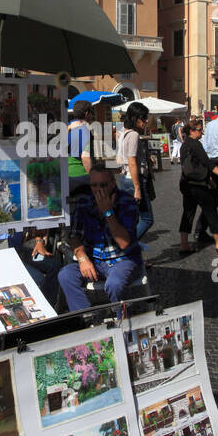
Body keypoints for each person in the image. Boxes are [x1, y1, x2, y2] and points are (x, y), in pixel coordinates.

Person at [58, 162, 143, 311]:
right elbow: (74, 235)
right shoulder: (85, 202)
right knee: (66, 275)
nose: (98, 190)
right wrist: (82, 258)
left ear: (113, 183)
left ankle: (122, 321)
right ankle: (86, 317)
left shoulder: (126, 201)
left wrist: (108, 212)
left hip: (123, 259)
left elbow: (124, 243)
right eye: (94, 185)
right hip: (95, 260)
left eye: (103, 185)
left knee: (114, 284)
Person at [177, 117, 218, 253]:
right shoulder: (196, 144)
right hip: (198, 185)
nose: (201, 133)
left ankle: (184, 244)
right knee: (210, 211)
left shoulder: (184, 145)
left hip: (186, 183)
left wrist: (208, 179)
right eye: (199, 130)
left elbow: (193, 165)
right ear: (192, 131)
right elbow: (207, 163)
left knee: (188, 213)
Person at [115, 102, 154, 241]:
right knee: (147, 219)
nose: (146, 121)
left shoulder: (122, 133)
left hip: (125, 178)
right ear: (135, 118)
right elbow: (131, 160)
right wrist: (137, 188)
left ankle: (134, 257)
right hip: (134, 179)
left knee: (133, 220)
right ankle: (126, 247)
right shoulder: (133, 136)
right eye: (144, 118)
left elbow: (120, 159)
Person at [66, 101, 94, 194]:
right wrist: (93, 177)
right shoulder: (84, 130)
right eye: (91, 113)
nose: (92, 116)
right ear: (87, 114)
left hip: (68, 173)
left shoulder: (69, 127)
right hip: (82, 175)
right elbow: (85, 157)